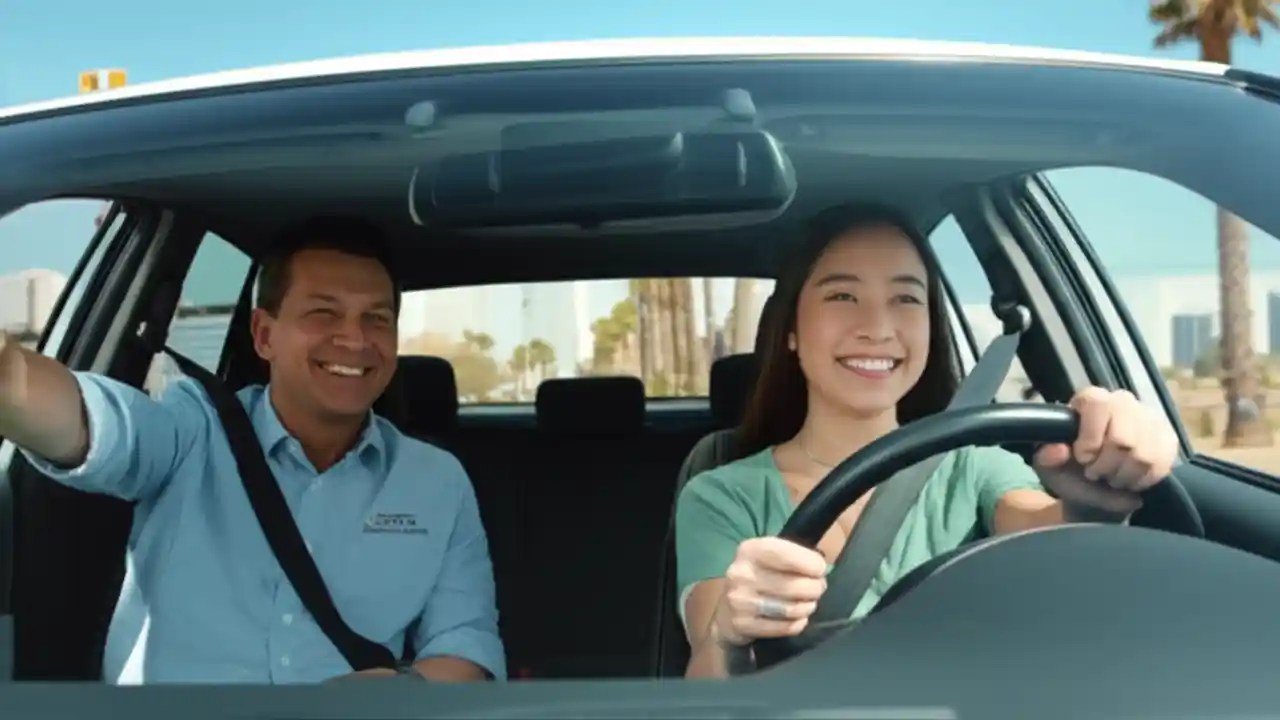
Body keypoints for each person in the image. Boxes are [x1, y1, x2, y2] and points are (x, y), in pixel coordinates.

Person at [674, 202, 1179, 678]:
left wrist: (1092, 504)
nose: (877, 327)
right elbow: (704, 674)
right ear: (790, 330)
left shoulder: (974, 468)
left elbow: (1043, 527)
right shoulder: (722, 493)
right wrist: (730, 633)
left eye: (907, 299)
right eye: (842, 295)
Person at [0, 215, 504, 684]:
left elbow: (467, 642)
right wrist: (10, 382)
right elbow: (99, 423)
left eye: (377, 318)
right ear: (264, 335)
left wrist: (397, 692)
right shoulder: (191, 429)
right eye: (324, 312)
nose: (354, 338)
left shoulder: (436, 481)